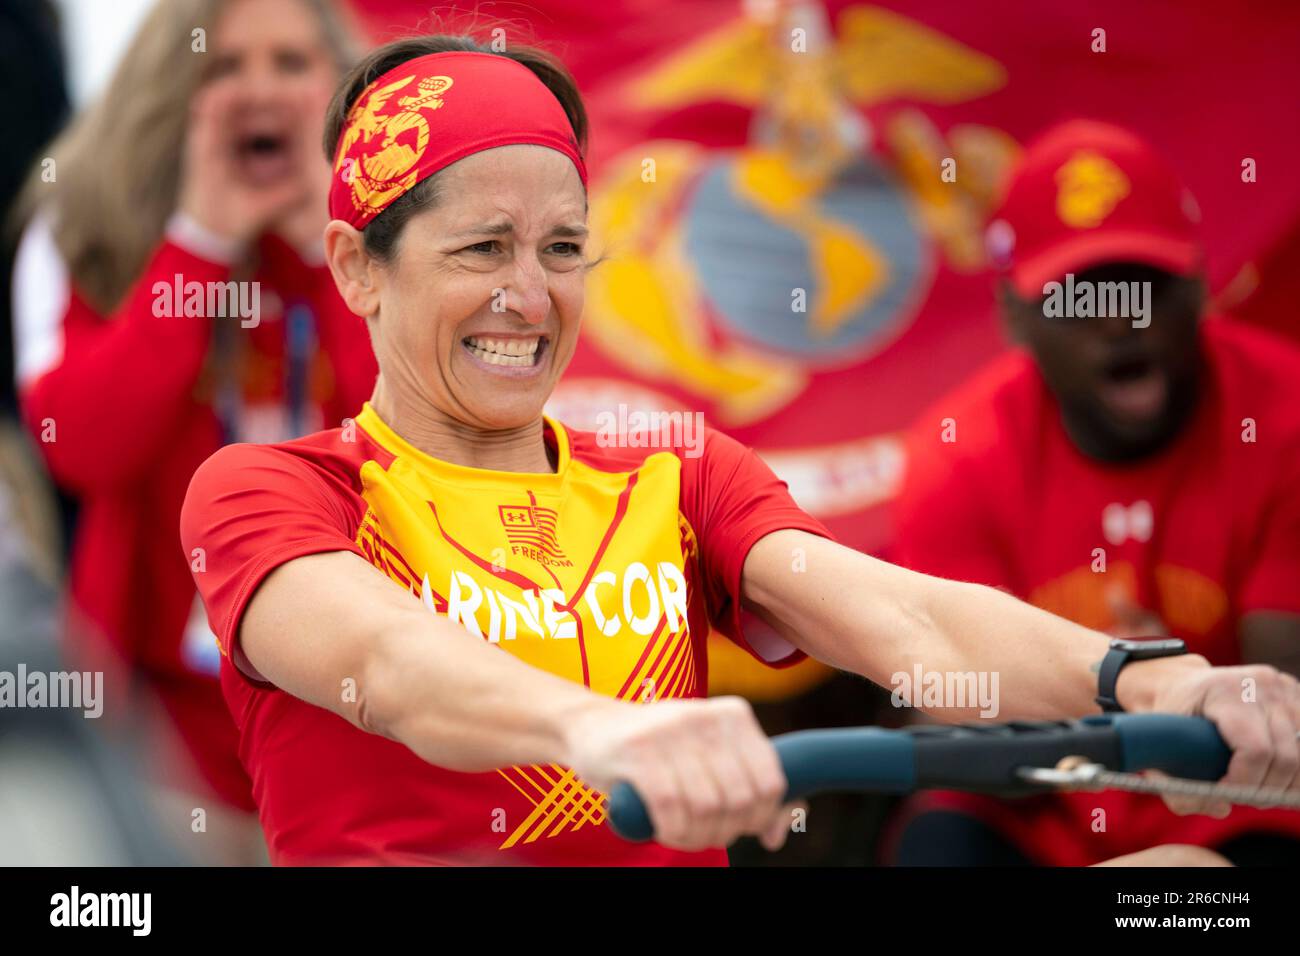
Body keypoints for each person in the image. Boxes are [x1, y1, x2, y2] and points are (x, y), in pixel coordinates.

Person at [180, 39, 1300, 866]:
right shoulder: (270, 492)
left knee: (1184, 883)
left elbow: (908, 618)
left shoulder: (677, 468)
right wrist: (601, 730)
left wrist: (1155, 675)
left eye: (563, 246)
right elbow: (382, 665)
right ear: (358, 266)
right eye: (482, 245)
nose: (529, 295)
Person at [11, 0, 370, 862]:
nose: (260, 90)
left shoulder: (392, 234)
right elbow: (80, 447)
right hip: (159, 722)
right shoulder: (88, 221)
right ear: (174, 88)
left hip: (354, 704)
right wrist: (199, 244)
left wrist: (334, 256)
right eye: (223, 66)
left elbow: (424, 436)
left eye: (290, 63)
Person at [886, 120, 1300, 866]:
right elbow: (951, 730)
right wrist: (1132, 686)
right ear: (1013, 315)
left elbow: (1285, 716)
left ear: (1201, 282)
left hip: (1240, 816)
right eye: (1077, 294)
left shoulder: (1284, 421)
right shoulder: (955, 454)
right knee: (938, 836)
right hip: (1037, 821)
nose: (1118, 318)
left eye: (1144, 284)